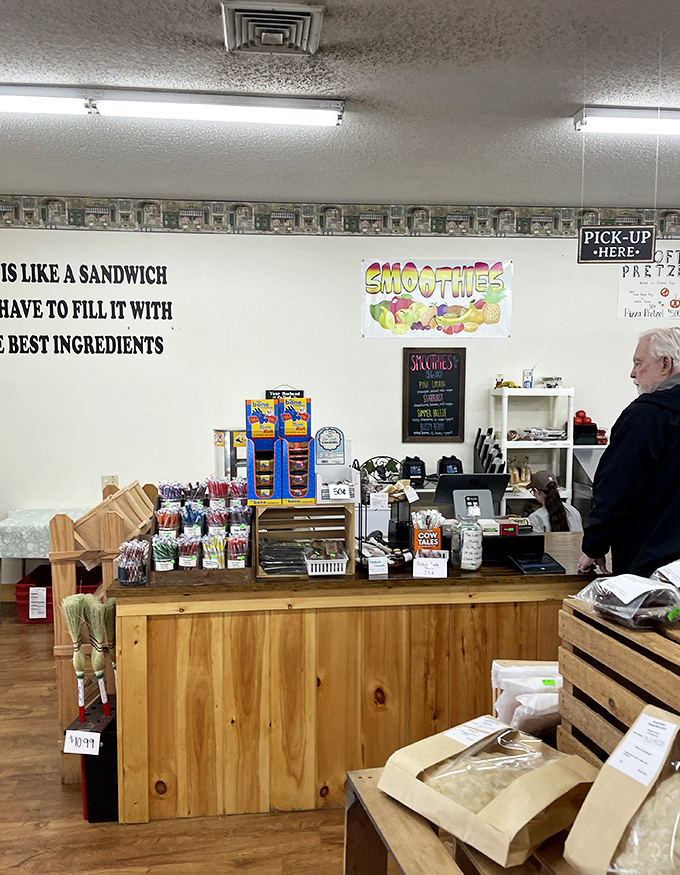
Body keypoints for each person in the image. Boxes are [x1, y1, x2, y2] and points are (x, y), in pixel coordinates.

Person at [578, 327, 680, 576]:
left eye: (639, 363)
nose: (632, 373)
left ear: (665, 364)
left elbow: (618, 488)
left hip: (652, 566)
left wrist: (595, 545)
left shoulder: (648, 416)